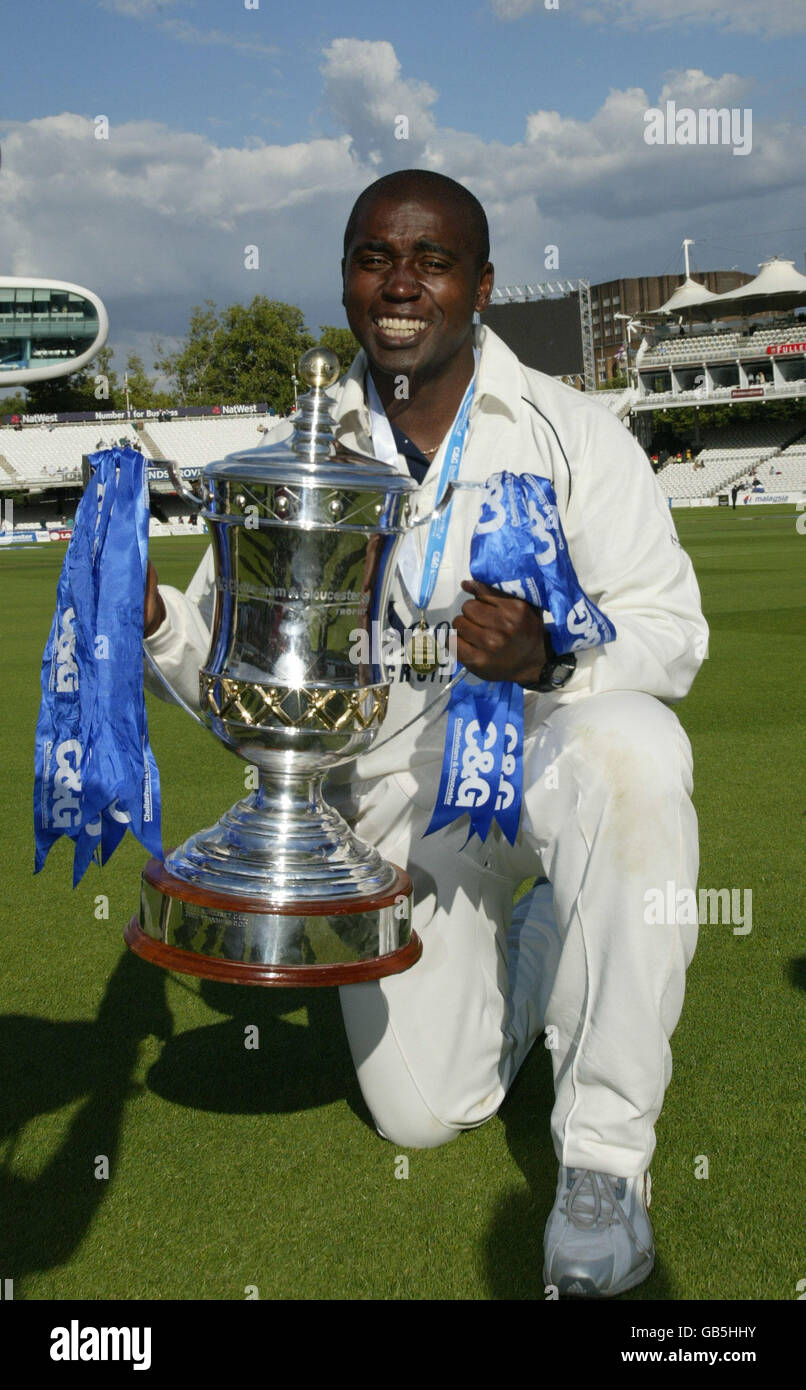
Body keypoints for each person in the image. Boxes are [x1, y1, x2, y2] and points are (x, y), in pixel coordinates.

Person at [142, 170, 707, 1299]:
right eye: (373, 256)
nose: (400, 283)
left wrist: (553, 653)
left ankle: (600, 1169)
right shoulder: (295, 456)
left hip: (546, 757)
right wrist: (159, 628)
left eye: (431, 260)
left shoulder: (570, 431)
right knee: (423, 1114)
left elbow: (673, 636)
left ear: (481, 285)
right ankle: (534, 944)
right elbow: (246, 690)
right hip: (397, 820)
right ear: (346, 276)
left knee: (635, 755)